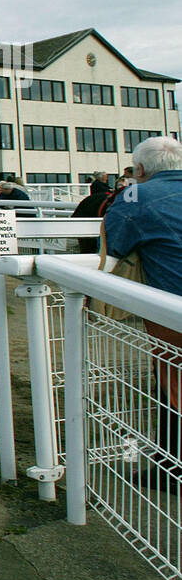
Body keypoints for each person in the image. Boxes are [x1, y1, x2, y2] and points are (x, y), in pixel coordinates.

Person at [102, 137, 182, 479]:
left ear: (141, 170)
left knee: (173, 381)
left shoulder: (137, 195)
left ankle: (173, 468)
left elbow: (115, 241)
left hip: (172, 309)